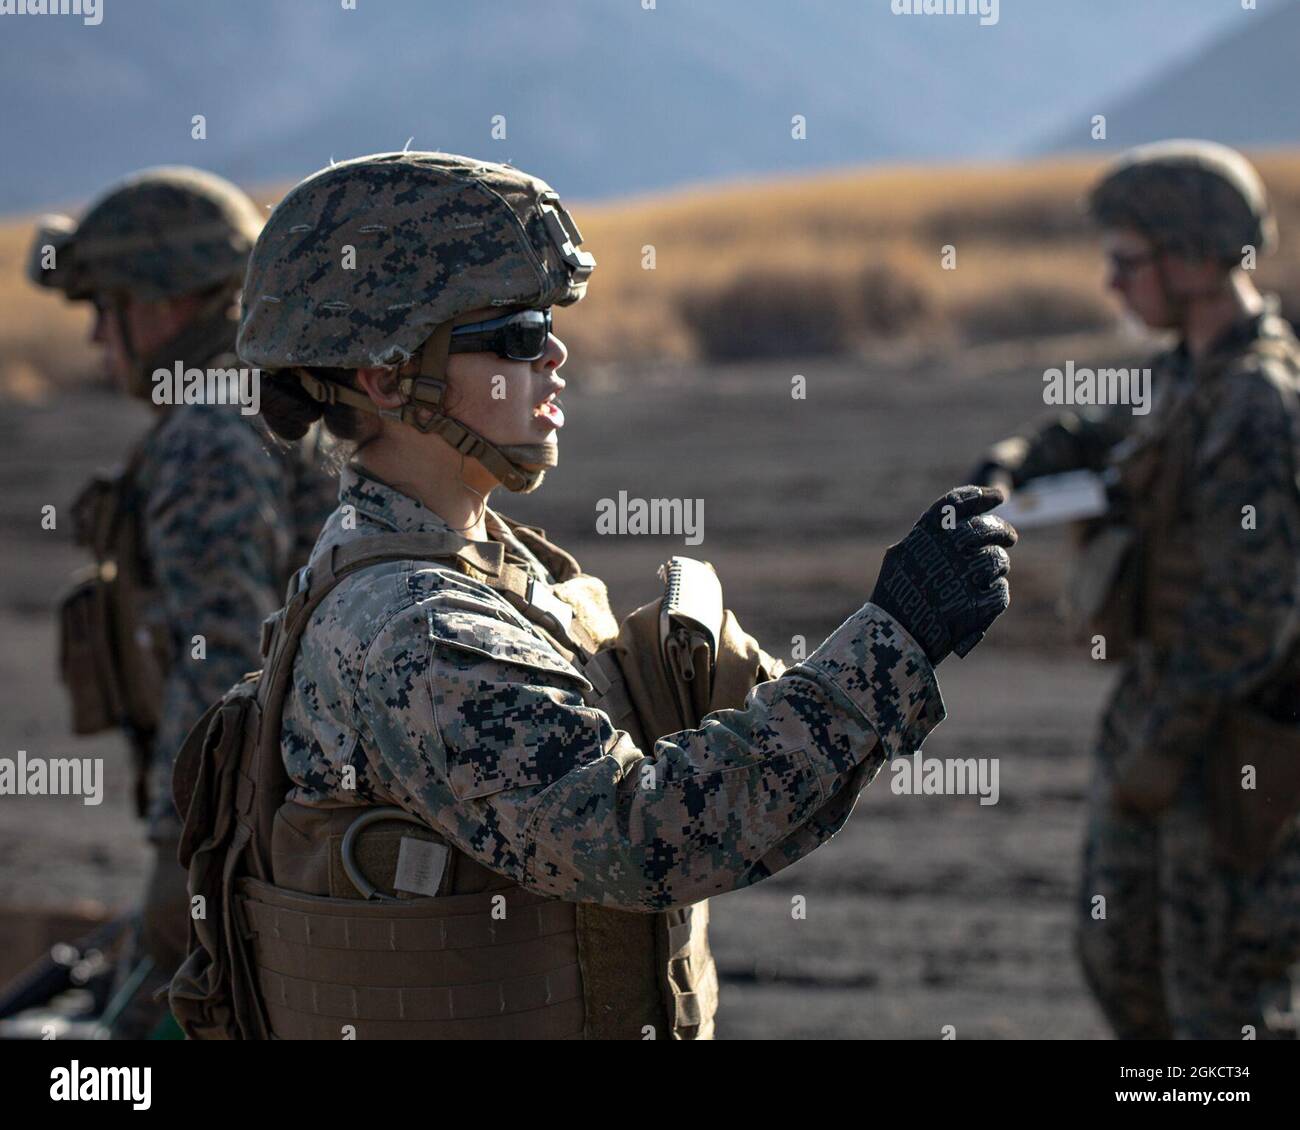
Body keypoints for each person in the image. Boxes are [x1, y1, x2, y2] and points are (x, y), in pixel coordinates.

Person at [172, 150, 1016, 1040]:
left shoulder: (489, 565)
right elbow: (643, 836)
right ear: (385, 377)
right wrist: (889, 646)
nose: (556, 355)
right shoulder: (416, 633)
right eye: (518, 333)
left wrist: (880, 651)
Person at [970, 140, 1300, 1039]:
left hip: (1232, 744)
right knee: (1125, 967)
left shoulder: (1257, 405)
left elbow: (1256, 612)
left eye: (1127, 262)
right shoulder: (1185, 376)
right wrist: (1008, 468)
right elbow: (1089, 432)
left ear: (1192, 260)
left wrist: (1168, 740)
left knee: (1220, 998)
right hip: (1165, 724)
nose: (1113, 286)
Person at [29, 167, 336, 1037]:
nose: (96, 337)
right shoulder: (260, 395)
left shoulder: (209, 427)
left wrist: (187, 851)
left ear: (164, 302)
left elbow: (222, 653)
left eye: (106, 305)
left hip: (245, 826)